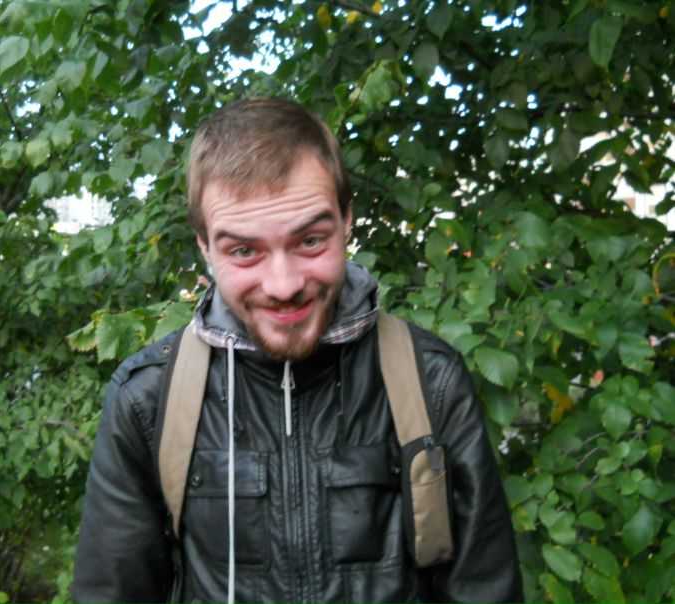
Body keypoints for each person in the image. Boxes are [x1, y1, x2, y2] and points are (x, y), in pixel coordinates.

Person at [72, 97, 523, 604]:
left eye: (310, 240)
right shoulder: (148, 400)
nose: (283, 285)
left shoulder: (431, 383)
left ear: (347, 221)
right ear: (205, 246)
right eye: (245, 251)